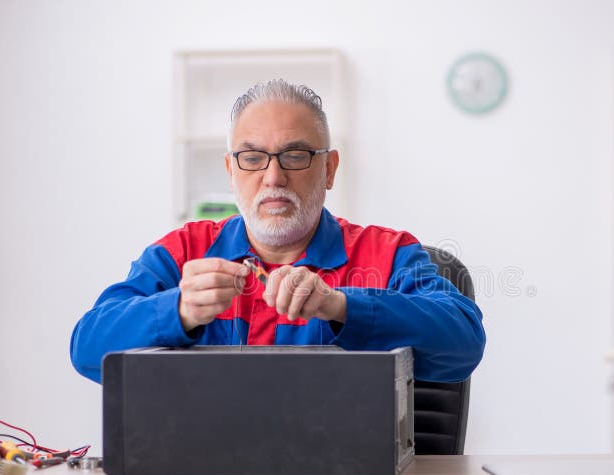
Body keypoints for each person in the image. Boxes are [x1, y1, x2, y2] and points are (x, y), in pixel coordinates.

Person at [70, 79, 485, 384]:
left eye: (295, 155)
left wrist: (340, 306)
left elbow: (463, 344)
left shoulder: (388, 253)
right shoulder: (182, 253)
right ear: (231, 170)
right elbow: (87, 348)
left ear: (330, 169)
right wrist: (177, 310)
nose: (273, 177)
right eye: (252, 158)